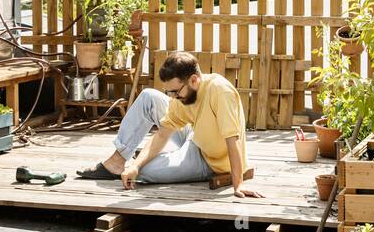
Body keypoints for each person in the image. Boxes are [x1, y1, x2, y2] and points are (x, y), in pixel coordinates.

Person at [82, 50, 263, 199]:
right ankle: (118, 162)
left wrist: (237, 185)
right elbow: (162, 133)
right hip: (194, 133)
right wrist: (134, 165)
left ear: (194, 80)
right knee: (148, 97)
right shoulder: (183, 96)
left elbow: (233, 141)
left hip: (209, 160)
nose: (173, 97)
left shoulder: (220, 91)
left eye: (176, 92)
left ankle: (153, 157)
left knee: (144, 172)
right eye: (170, 92)